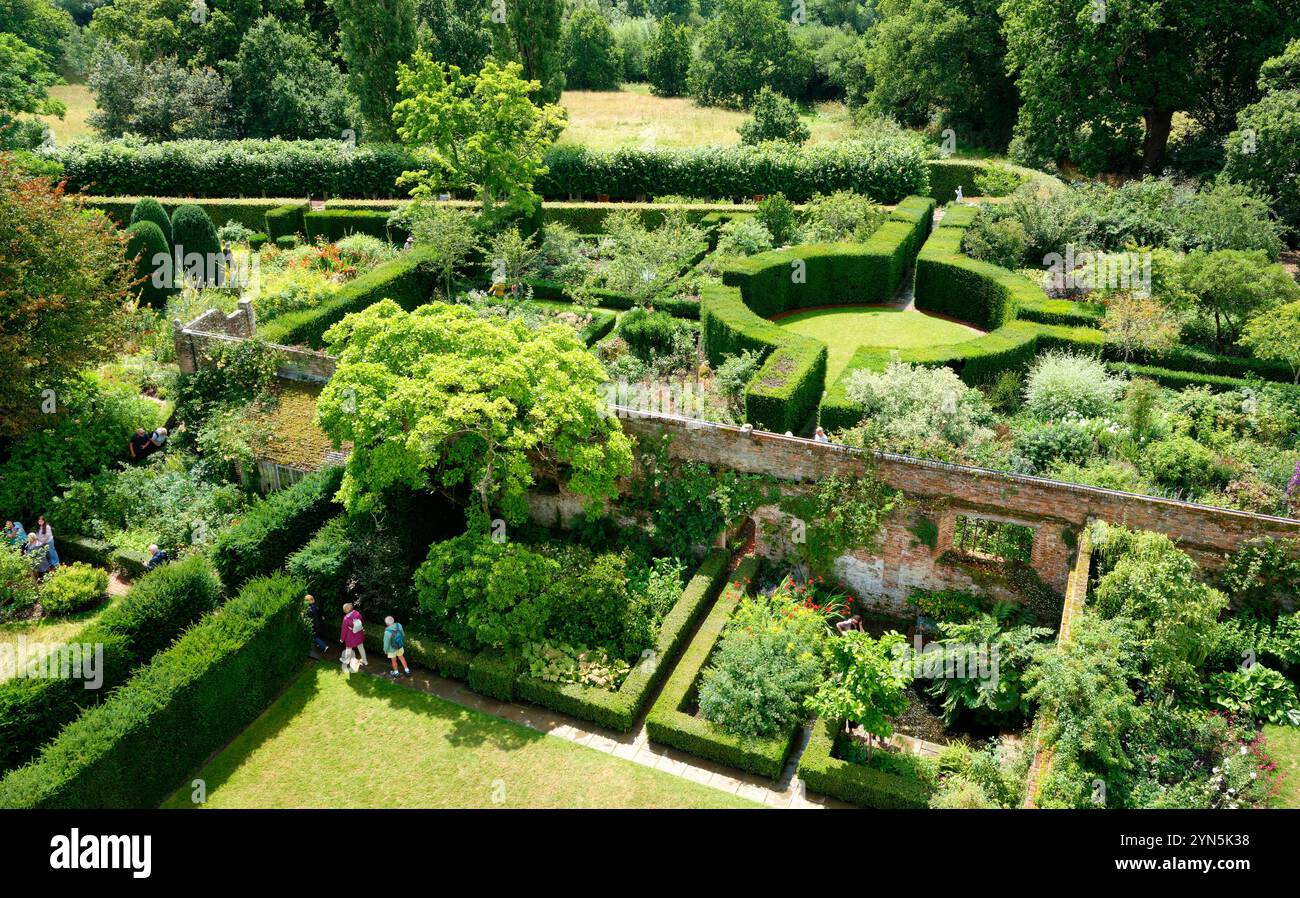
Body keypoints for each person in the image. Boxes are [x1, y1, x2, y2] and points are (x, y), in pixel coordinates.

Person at [340, 602, 367, 667]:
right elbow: (361, 621)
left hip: (351, 635)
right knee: (361, 647)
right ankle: (364, 661)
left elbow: (344, 630)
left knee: (348, 648)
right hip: (359, 633)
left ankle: (347, 660)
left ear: (346, 610)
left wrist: (342, 638)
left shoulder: (346, 618)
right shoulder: (357, 613)